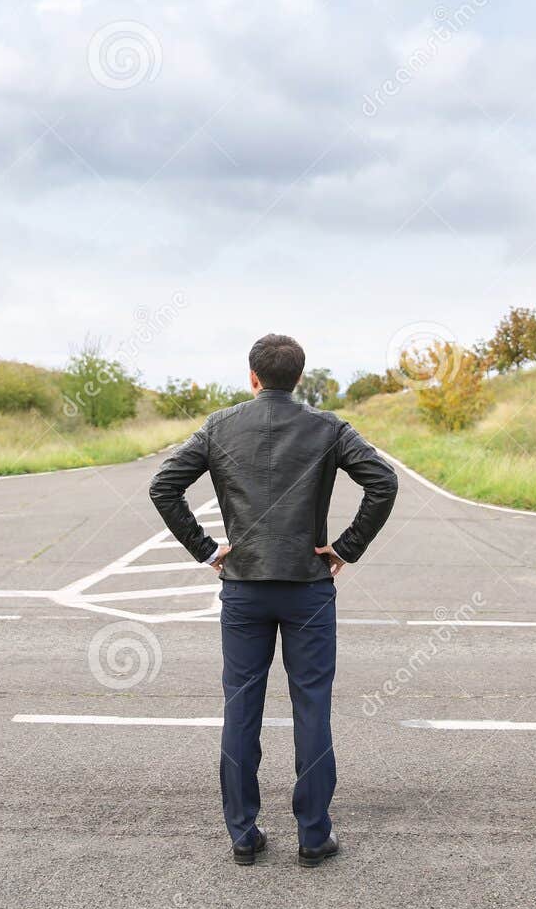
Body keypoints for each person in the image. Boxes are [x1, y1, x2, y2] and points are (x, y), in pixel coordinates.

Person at [149, 334, 398, 868]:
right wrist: (346, 547)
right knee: (312, 706)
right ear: (299, 379)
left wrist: (207, 549)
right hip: (308, 586)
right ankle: (313, 835)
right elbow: (382, 481)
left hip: (243, 588)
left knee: (241, 708)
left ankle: (243, 833)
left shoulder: (219, 426)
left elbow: (163, 486)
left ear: (253, 377)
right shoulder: (328, 427)